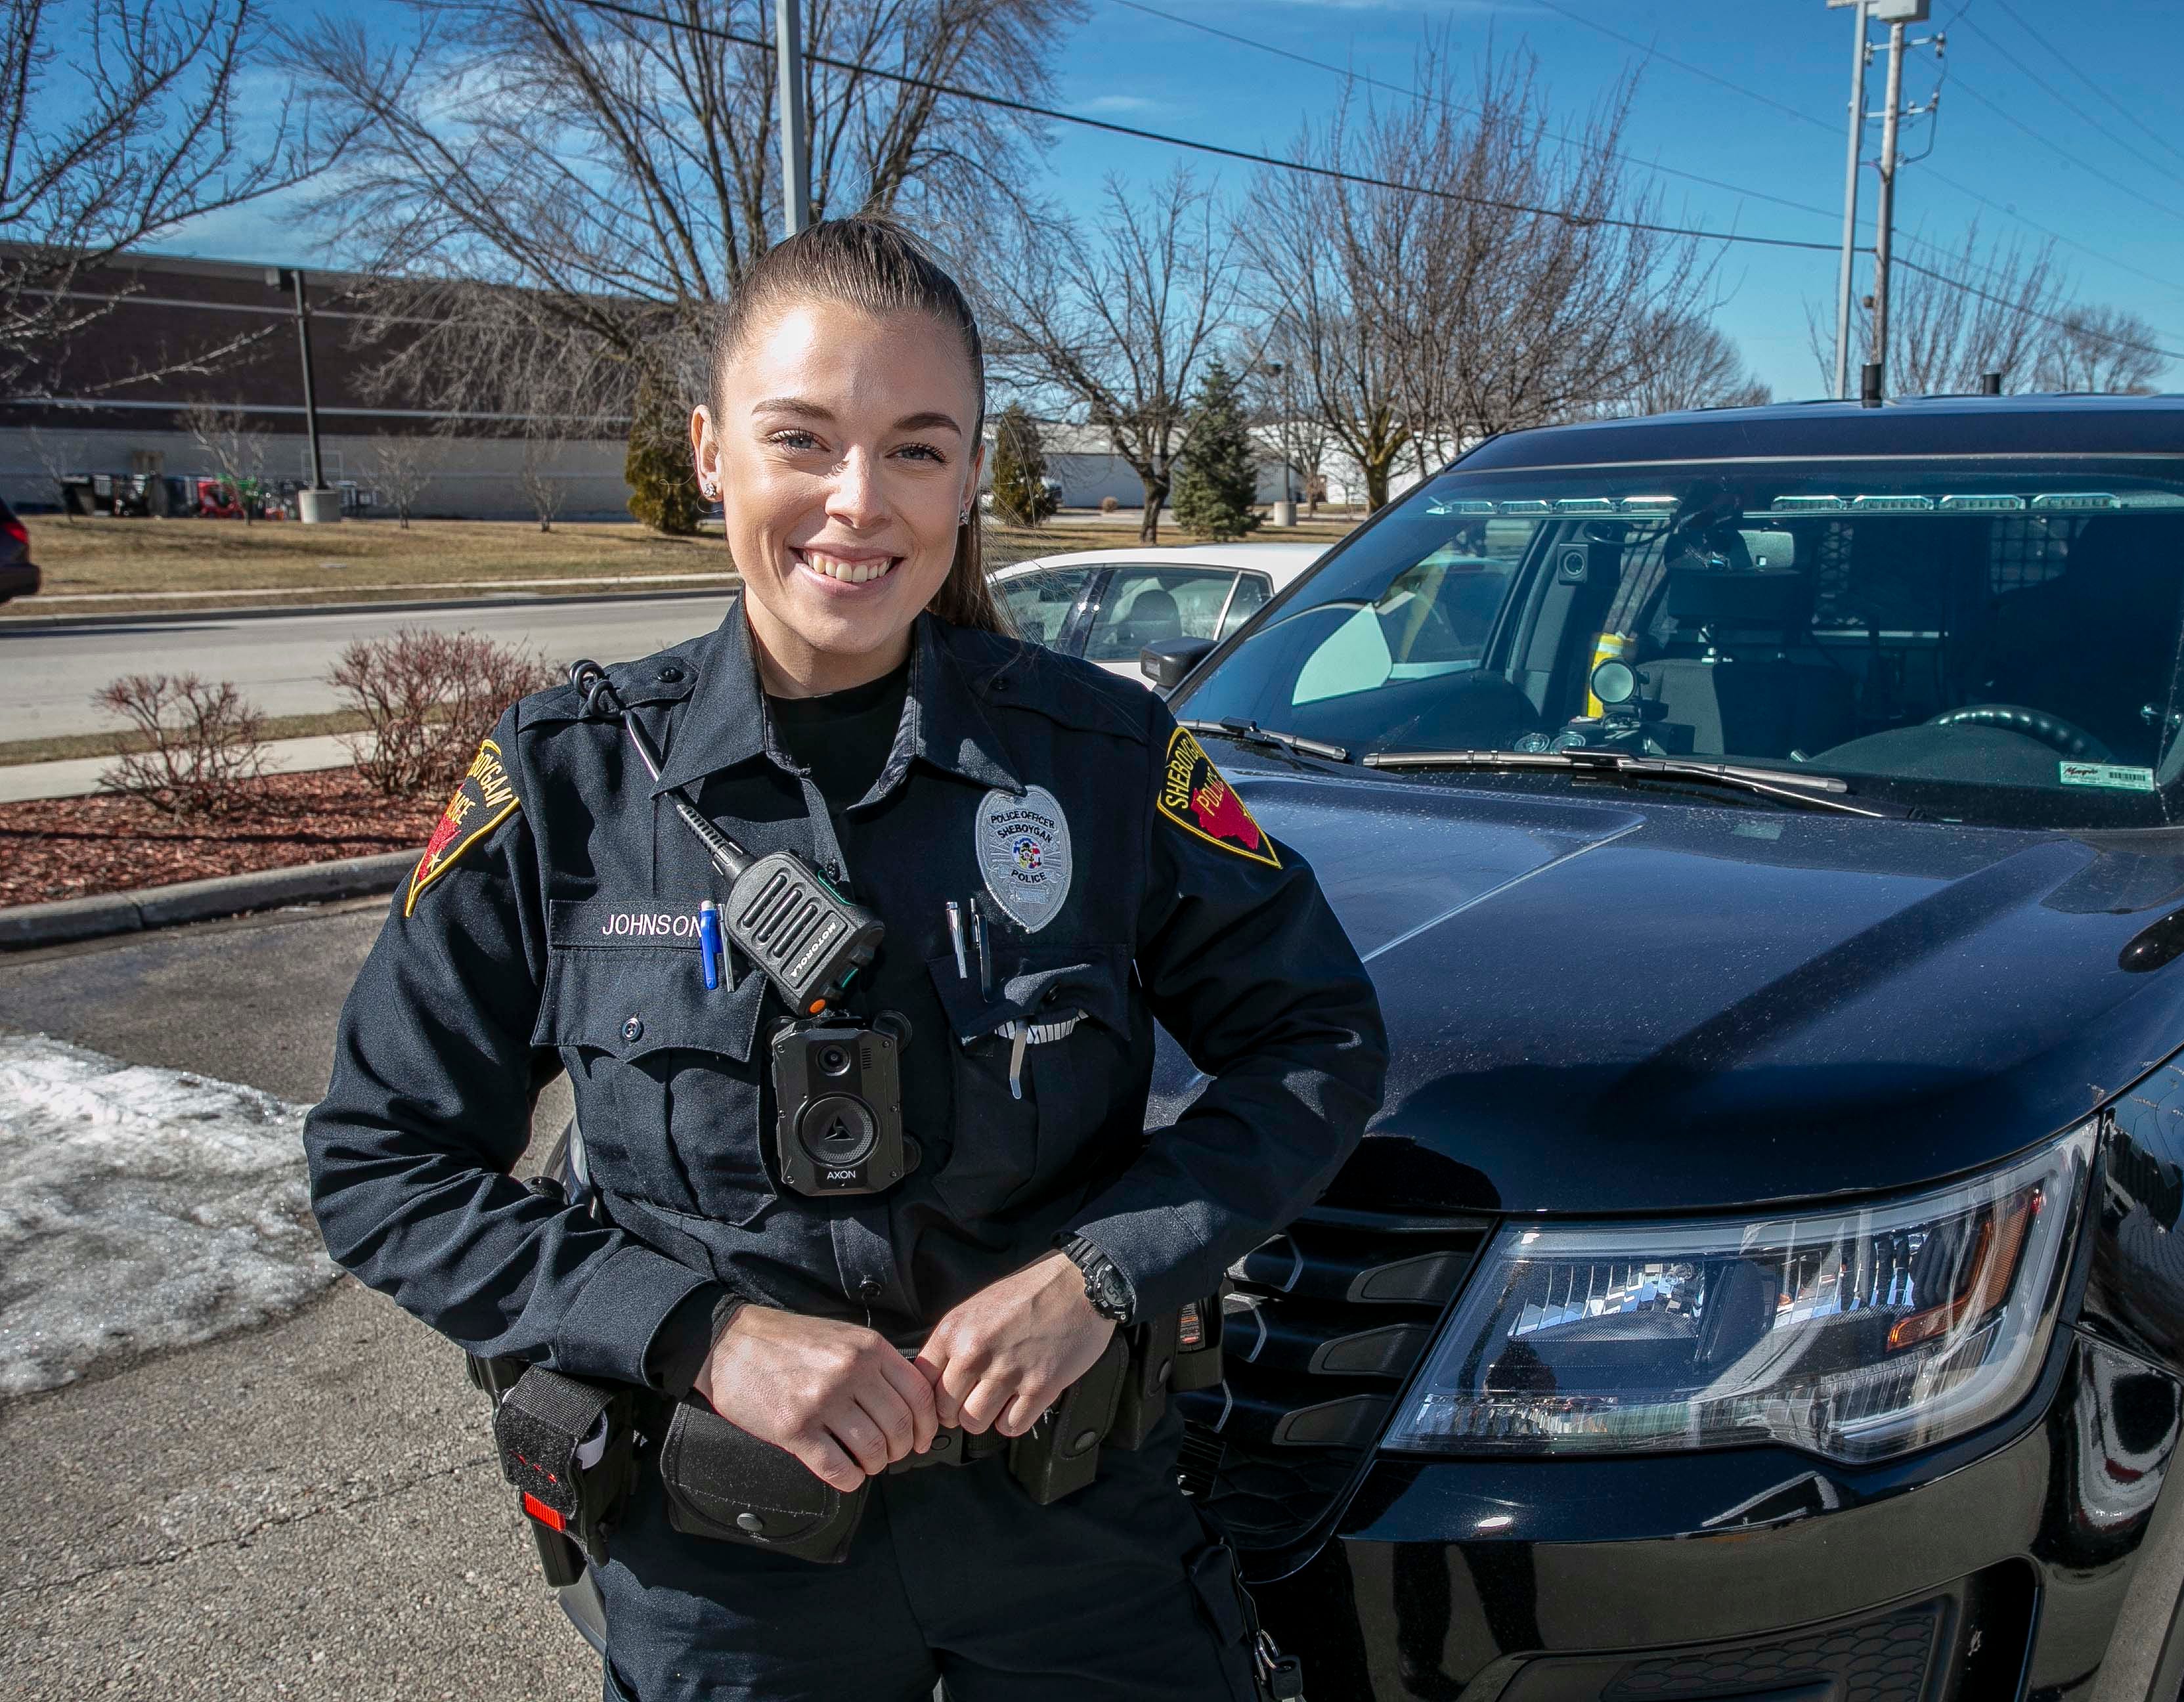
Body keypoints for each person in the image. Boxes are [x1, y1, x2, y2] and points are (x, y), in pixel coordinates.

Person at [303, 217, 1387, 1701]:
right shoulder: (569, 785)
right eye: (802, 439)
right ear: (710, 452)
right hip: (729, 1584)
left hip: (1078, 1550)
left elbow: (1316, 1040)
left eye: (918, 450)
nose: (857, 504)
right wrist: (696, 1332)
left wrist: (1099, 1274)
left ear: (969, 473)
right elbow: (382, 1160)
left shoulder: (1099, 757)